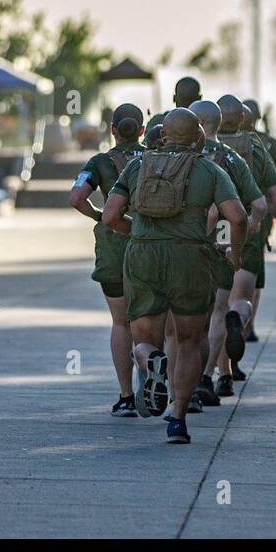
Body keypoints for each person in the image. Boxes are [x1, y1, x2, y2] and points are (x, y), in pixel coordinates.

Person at [103, 108, 246, 444]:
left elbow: (109, 216)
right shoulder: (209, 170)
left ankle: (151, 360)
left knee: (144, 339)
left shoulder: (138, 166)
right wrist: (234, 253)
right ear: (198, 137)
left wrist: (135, 231)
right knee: (189, 341)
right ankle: (178, 419)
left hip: (143, 257)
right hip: (190, 258)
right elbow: (237, 217)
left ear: (163, 135)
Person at [67, 103, 146, 417]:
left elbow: (75, 197)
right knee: (153, 320)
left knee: (121, 321)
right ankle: (158, 377)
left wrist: (100, 216)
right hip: (151, 246)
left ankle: (126, 396)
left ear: (112, 130)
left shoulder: (99, 162)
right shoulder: (154, 159)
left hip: (114, 250)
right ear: (142, 130)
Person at [190, 99, 266, 401]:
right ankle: (207, 378)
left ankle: (181, 387)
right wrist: (250, 227)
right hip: (225, 243)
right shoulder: (233, 158)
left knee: (186, 320)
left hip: (186, 245)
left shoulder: (179, 159)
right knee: (221, 310)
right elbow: (261, 204)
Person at [216, 94, 276, 388]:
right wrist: (269, 221)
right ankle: (240, 320)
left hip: (214, 231)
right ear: (244, 119)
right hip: (247, 229)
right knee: (240, 299)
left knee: (215, 307)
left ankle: (221, 374)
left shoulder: (203, 146)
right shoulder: (257, 146)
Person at [241, 98, 276, 344]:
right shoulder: (266, 144)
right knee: (252, 271)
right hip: (256, 216)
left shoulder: (210, 142)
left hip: (217, 220)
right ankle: (246, 323)